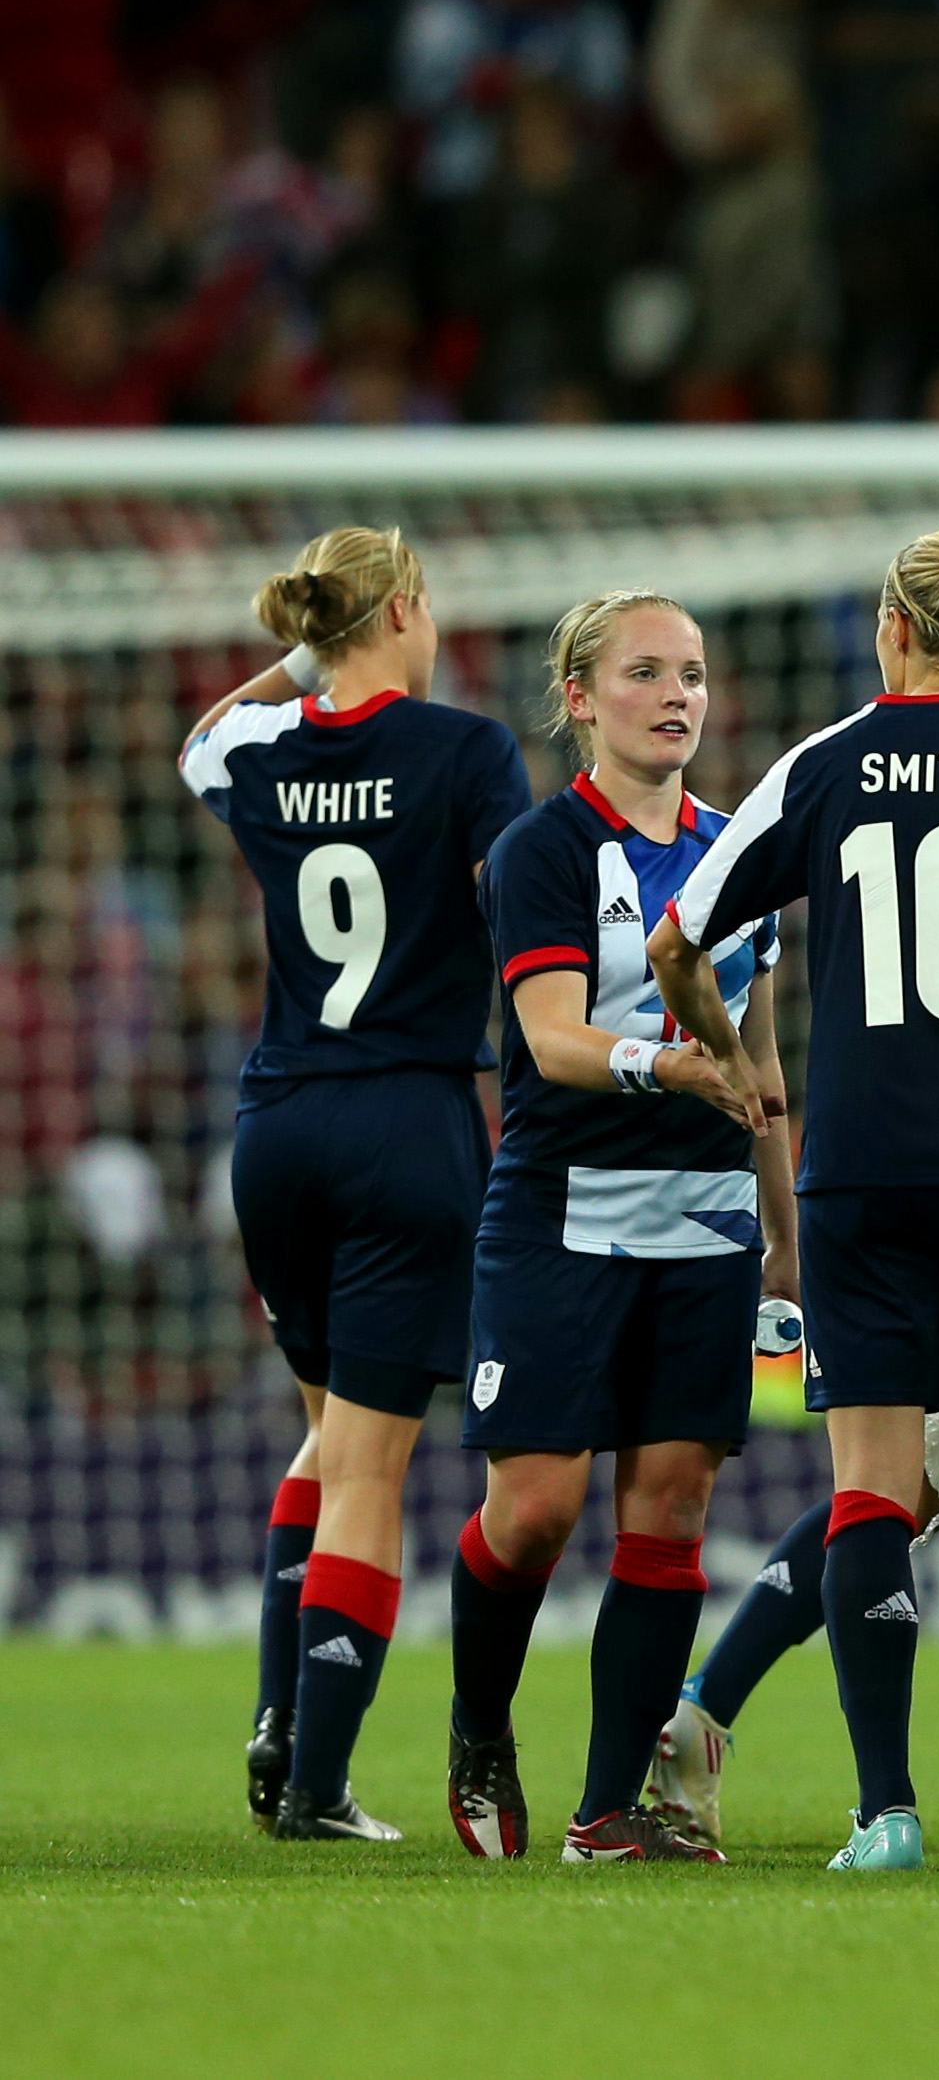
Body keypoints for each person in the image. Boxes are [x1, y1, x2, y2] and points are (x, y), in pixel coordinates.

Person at [634, 531, 939, 1875]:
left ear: (890, 629)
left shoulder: (825, 763)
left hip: (861, 1165)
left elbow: (676, 940)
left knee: (871, 1486)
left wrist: (724, 1059)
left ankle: (883, 1816)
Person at [181, 531, 532, 1841]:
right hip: (408, 1122)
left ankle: (281, 1714)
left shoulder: (265, 757)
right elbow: (517, 886)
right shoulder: (465, 751)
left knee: (329, 1440)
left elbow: (197, 741)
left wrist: (299, 665)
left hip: (275, 1126)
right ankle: (317, 1782)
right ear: (400, 610)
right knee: (374, 1470)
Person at [442, 592, 788, 1865]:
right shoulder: (543, 849)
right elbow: (550, 1040)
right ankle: (481, 1723)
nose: (677, 696)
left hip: (707, 1219)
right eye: (644, 673)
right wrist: (667, 1065)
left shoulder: (744, 849)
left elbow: (762, 1064)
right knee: (534, 1508)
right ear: (580, 698)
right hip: (562, 1216)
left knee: (672, 1506)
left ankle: (610, 1811)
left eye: (692, 673)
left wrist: (786, 1232)